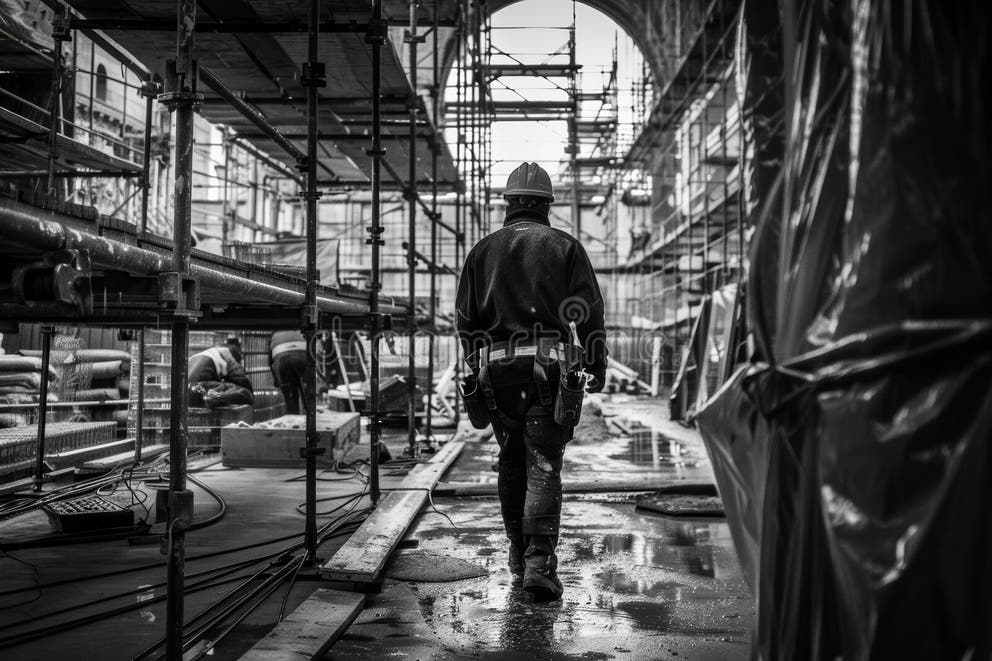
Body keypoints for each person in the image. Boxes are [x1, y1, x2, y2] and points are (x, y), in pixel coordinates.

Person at [456, 162, 608, 601]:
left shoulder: (482, 252)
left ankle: (518, 559)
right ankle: (539, 566)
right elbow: (589, 313)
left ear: (508, 203)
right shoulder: (565, 247)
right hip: (549, 374)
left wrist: (476, 366)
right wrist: (596, 364)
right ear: (547, 205)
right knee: (542, 461)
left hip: (498, 377)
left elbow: (466, 321)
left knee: (512, 459)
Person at [188, 343, 253, 407]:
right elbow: (241, 379)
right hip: (198, 390)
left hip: (187, 392)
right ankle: (214, 397)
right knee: (240, 391)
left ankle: (213, 397)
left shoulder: (204, 354)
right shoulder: (226, 352)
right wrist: (249, 394)